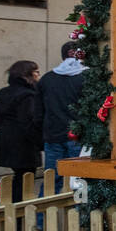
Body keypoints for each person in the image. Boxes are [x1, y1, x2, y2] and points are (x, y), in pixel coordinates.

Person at [0, 60, 43, 204]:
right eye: (36, 72)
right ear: (28, 75)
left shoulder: (4, 92)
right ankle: (19, 215)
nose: (39, 75)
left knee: (19, 177)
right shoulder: (28, 95)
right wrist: (41, 144)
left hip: (6, 140)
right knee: (25, 179)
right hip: (23, 144)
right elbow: (28, 123)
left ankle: (14, 210)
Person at [38, 42, 86, 174]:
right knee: (79, 178)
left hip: (53, 134)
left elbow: (38, 110)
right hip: (78, 135)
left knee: (52, 179)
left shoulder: (47, 78)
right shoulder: (86, 77)